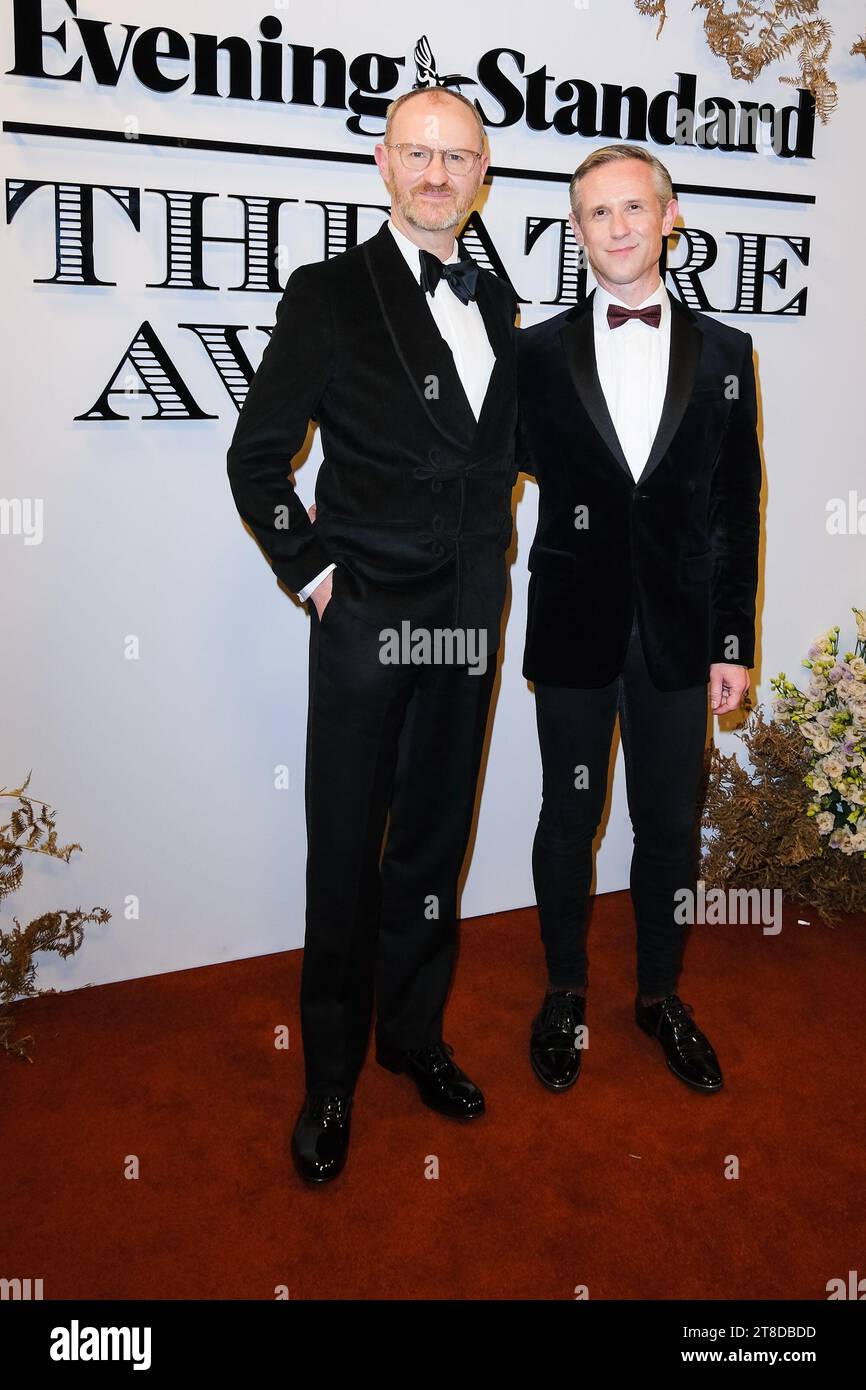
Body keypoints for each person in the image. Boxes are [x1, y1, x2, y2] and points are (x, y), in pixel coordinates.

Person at [226, 86, 518, 1183]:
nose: (437, 173)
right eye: (417, 153)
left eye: (457, 156)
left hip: (466, 619)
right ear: (385, 167)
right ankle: (332, 1077)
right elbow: (258, 458)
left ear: (480, 174)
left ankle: (413, 1034)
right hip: (368, 621)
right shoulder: (329, 292)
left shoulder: (496, 305)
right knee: (347, 850)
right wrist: (312, 575)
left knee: (434, 841)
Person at [516, 143, 761, 1096]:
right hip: (574, 632)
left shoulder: (729, 355)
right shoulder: (536, 354)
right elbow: (476, 471)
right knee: (566, 816)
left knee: (668, 824)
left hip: (678, 638)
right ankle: (564, 993)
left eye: (630, 209)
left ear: (669, 216)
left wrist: (731, 641)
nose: (614, 229)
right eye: (593, 215)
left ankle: (658, 996)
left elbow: (737, 507)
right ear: (576, 231)